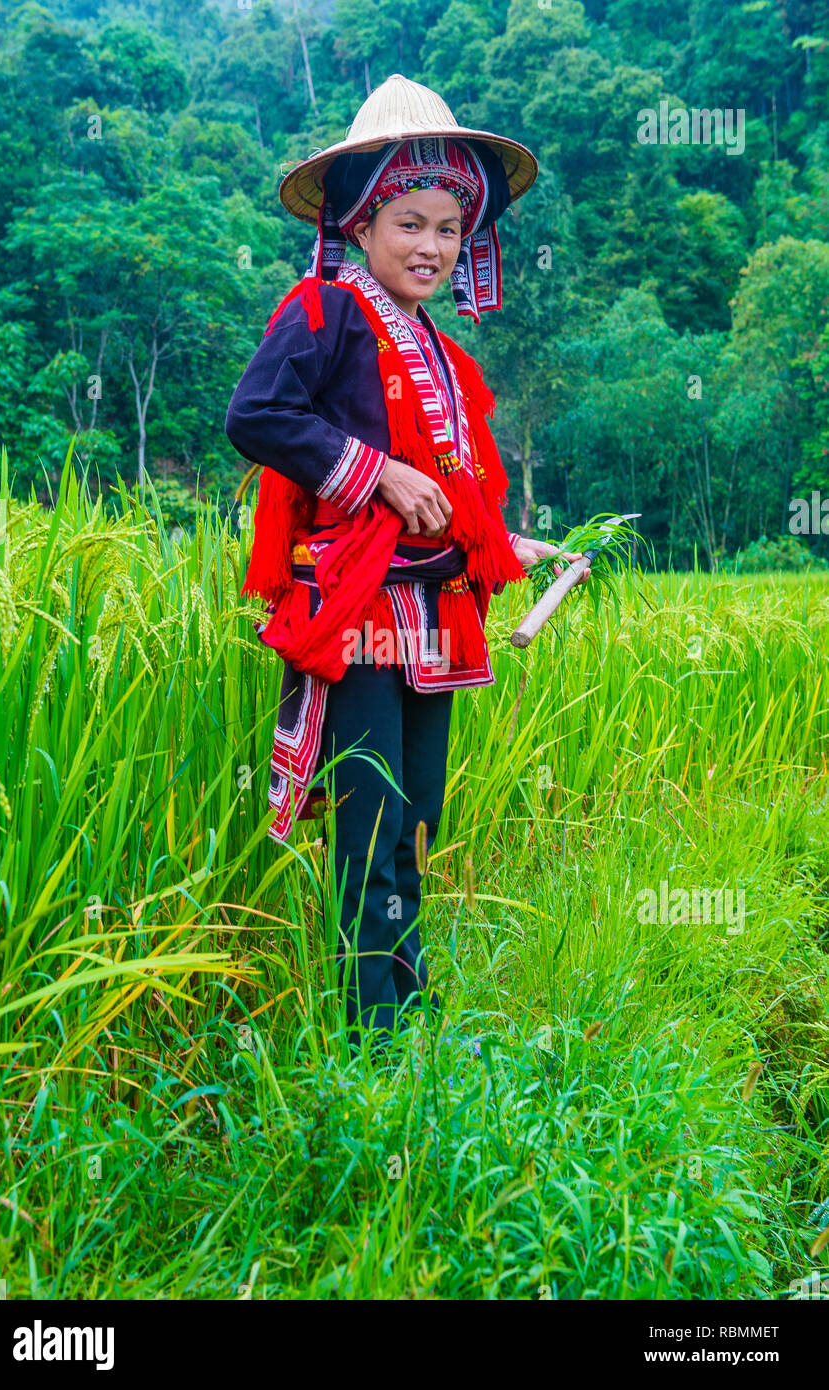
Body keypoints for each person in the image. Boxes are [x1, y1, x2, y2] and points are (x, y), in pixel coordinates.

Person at [225, 74, 591, 1052]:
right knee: (367, 816)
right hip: (357, 615)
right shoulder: (325, 312)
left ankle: (406, 994)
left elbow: (445, 492)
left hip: (433, 616)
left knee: (410, 816)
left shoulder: (435, 346)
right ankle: (368, 1037)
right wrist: (375, 473)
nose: (429, 246)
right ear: (359, 223)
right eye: (408, 224)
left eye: (445, 228)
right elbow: (255, 416)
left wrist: (504, 542)